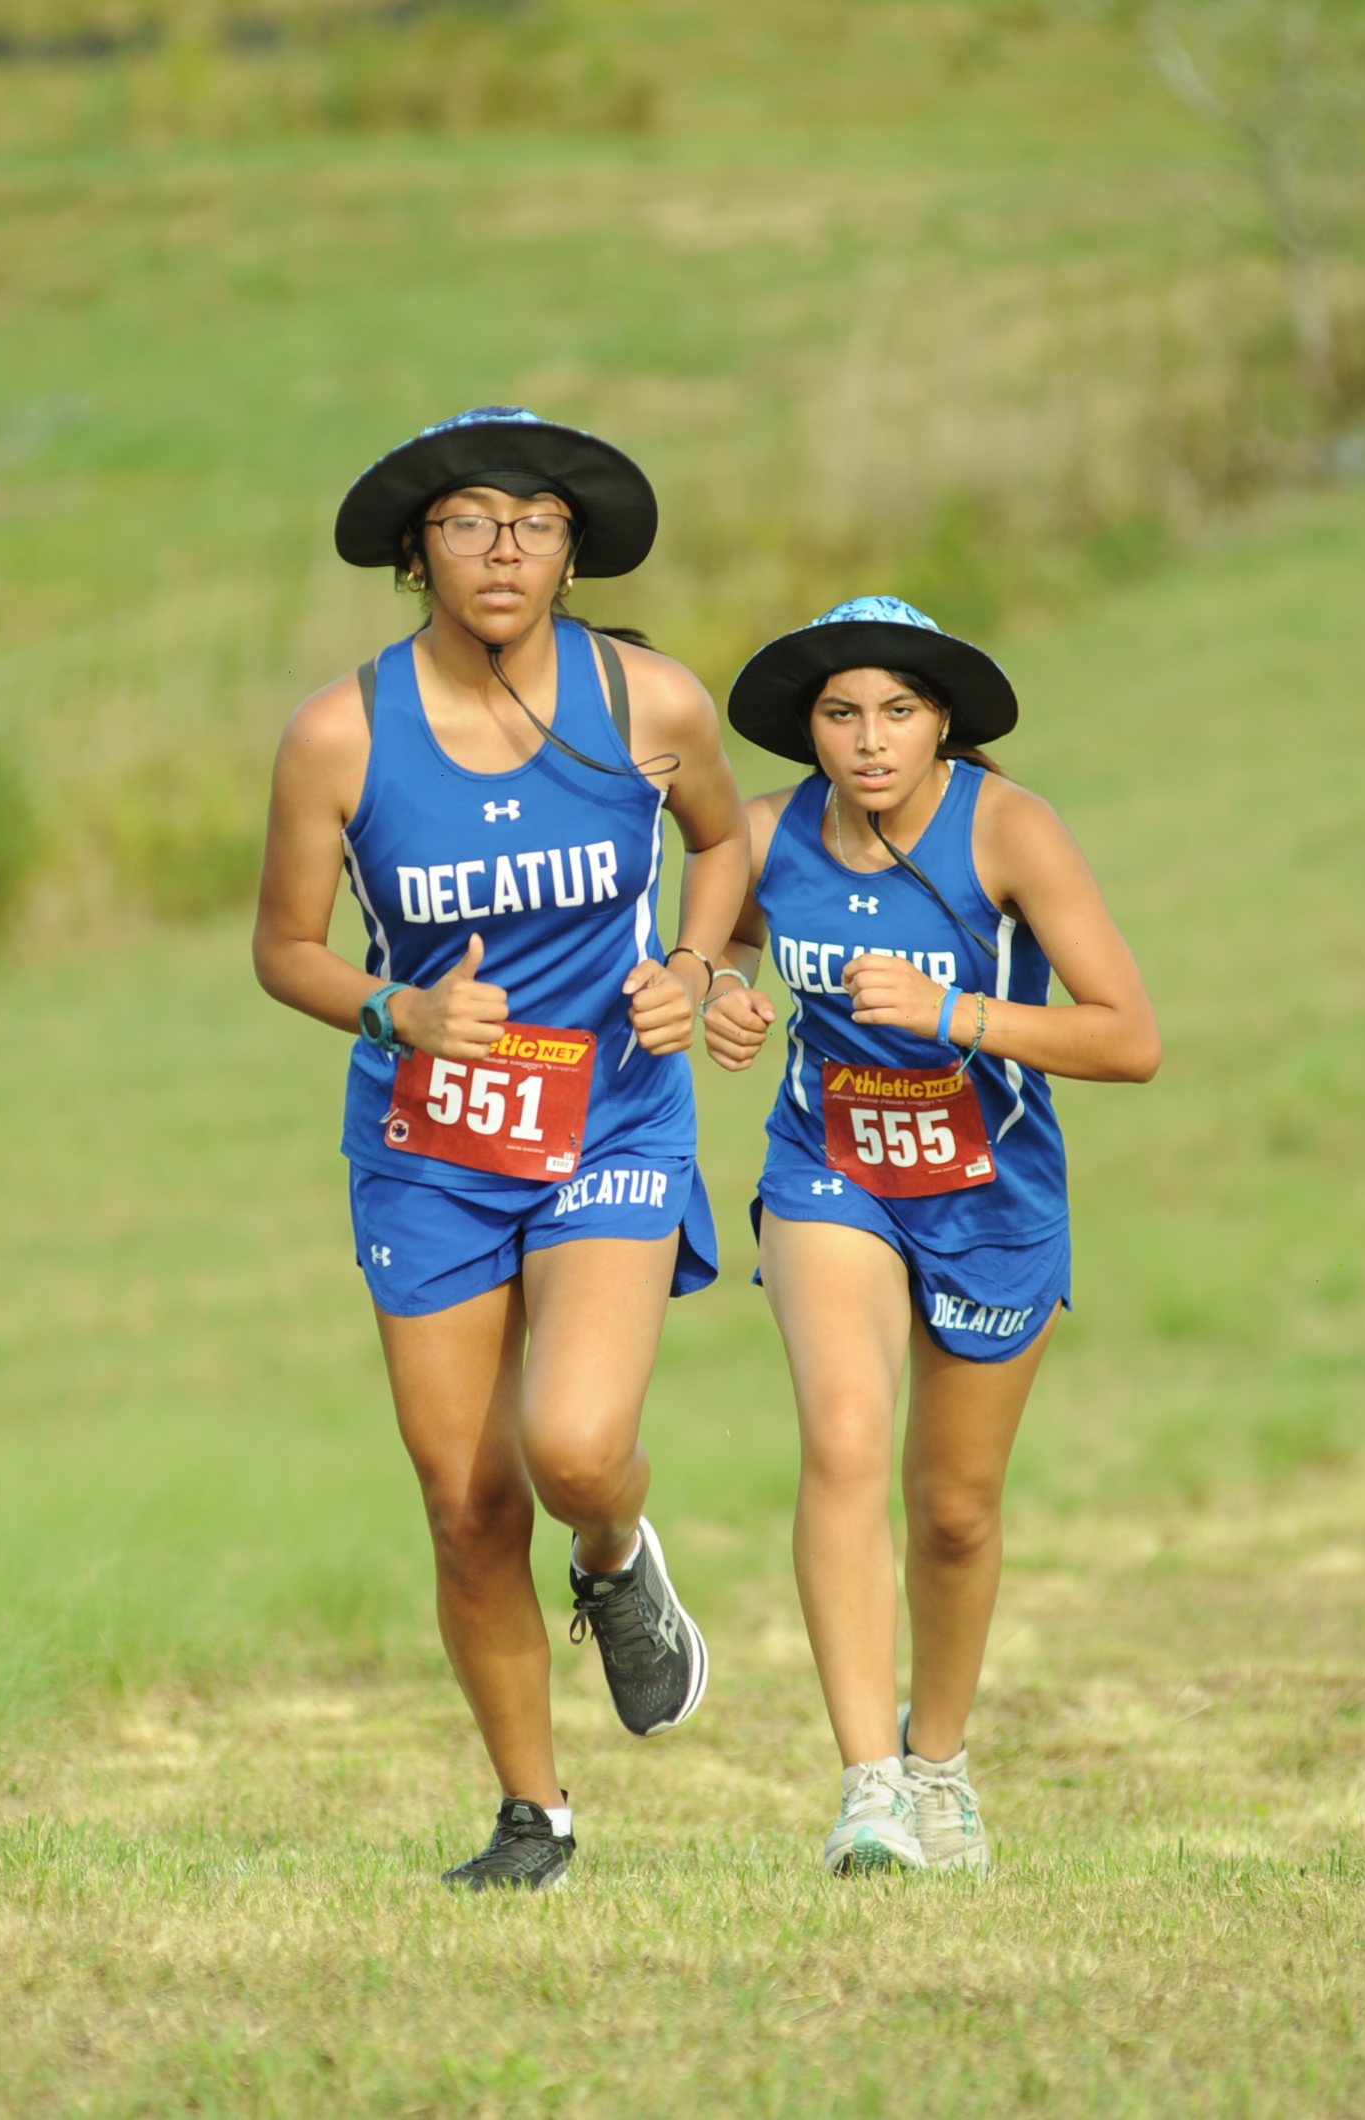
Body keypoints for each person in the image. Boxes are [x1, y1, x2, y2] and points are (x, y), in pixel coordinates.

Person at [251, 408, 752, 1890]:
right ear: (419, 550)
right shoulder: (339, 734)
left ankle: (614, 1560)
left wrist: (698, 970)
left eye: (533, 524)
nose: (503, 551)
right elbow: (284, 947)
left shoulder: (652, 702)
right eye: (468, 522)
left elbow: (723, 847)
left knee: (576, 1448)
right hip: (431, 1145)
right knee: (466, 1499)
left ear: (573, 547)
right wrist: (395, 1007)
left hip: (608, 1114)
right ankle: (536, 1817)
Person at [699, 597, 1159, 1876]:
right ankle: (867, 1788)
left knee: (954, 1508)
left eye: (897, 711)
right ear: (811, 729)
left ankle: (938, 1761)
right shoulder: (766, 834)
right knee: (844, 1436)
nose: (869, 739)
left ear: (942, 718)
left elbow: (1129, 1037)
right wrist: (723, 996)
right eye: (841, 714)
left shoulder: (1011, 829)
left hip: (991, 1190)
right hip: (828, 1168)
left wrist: (956, 1013)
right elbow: (706, 946)